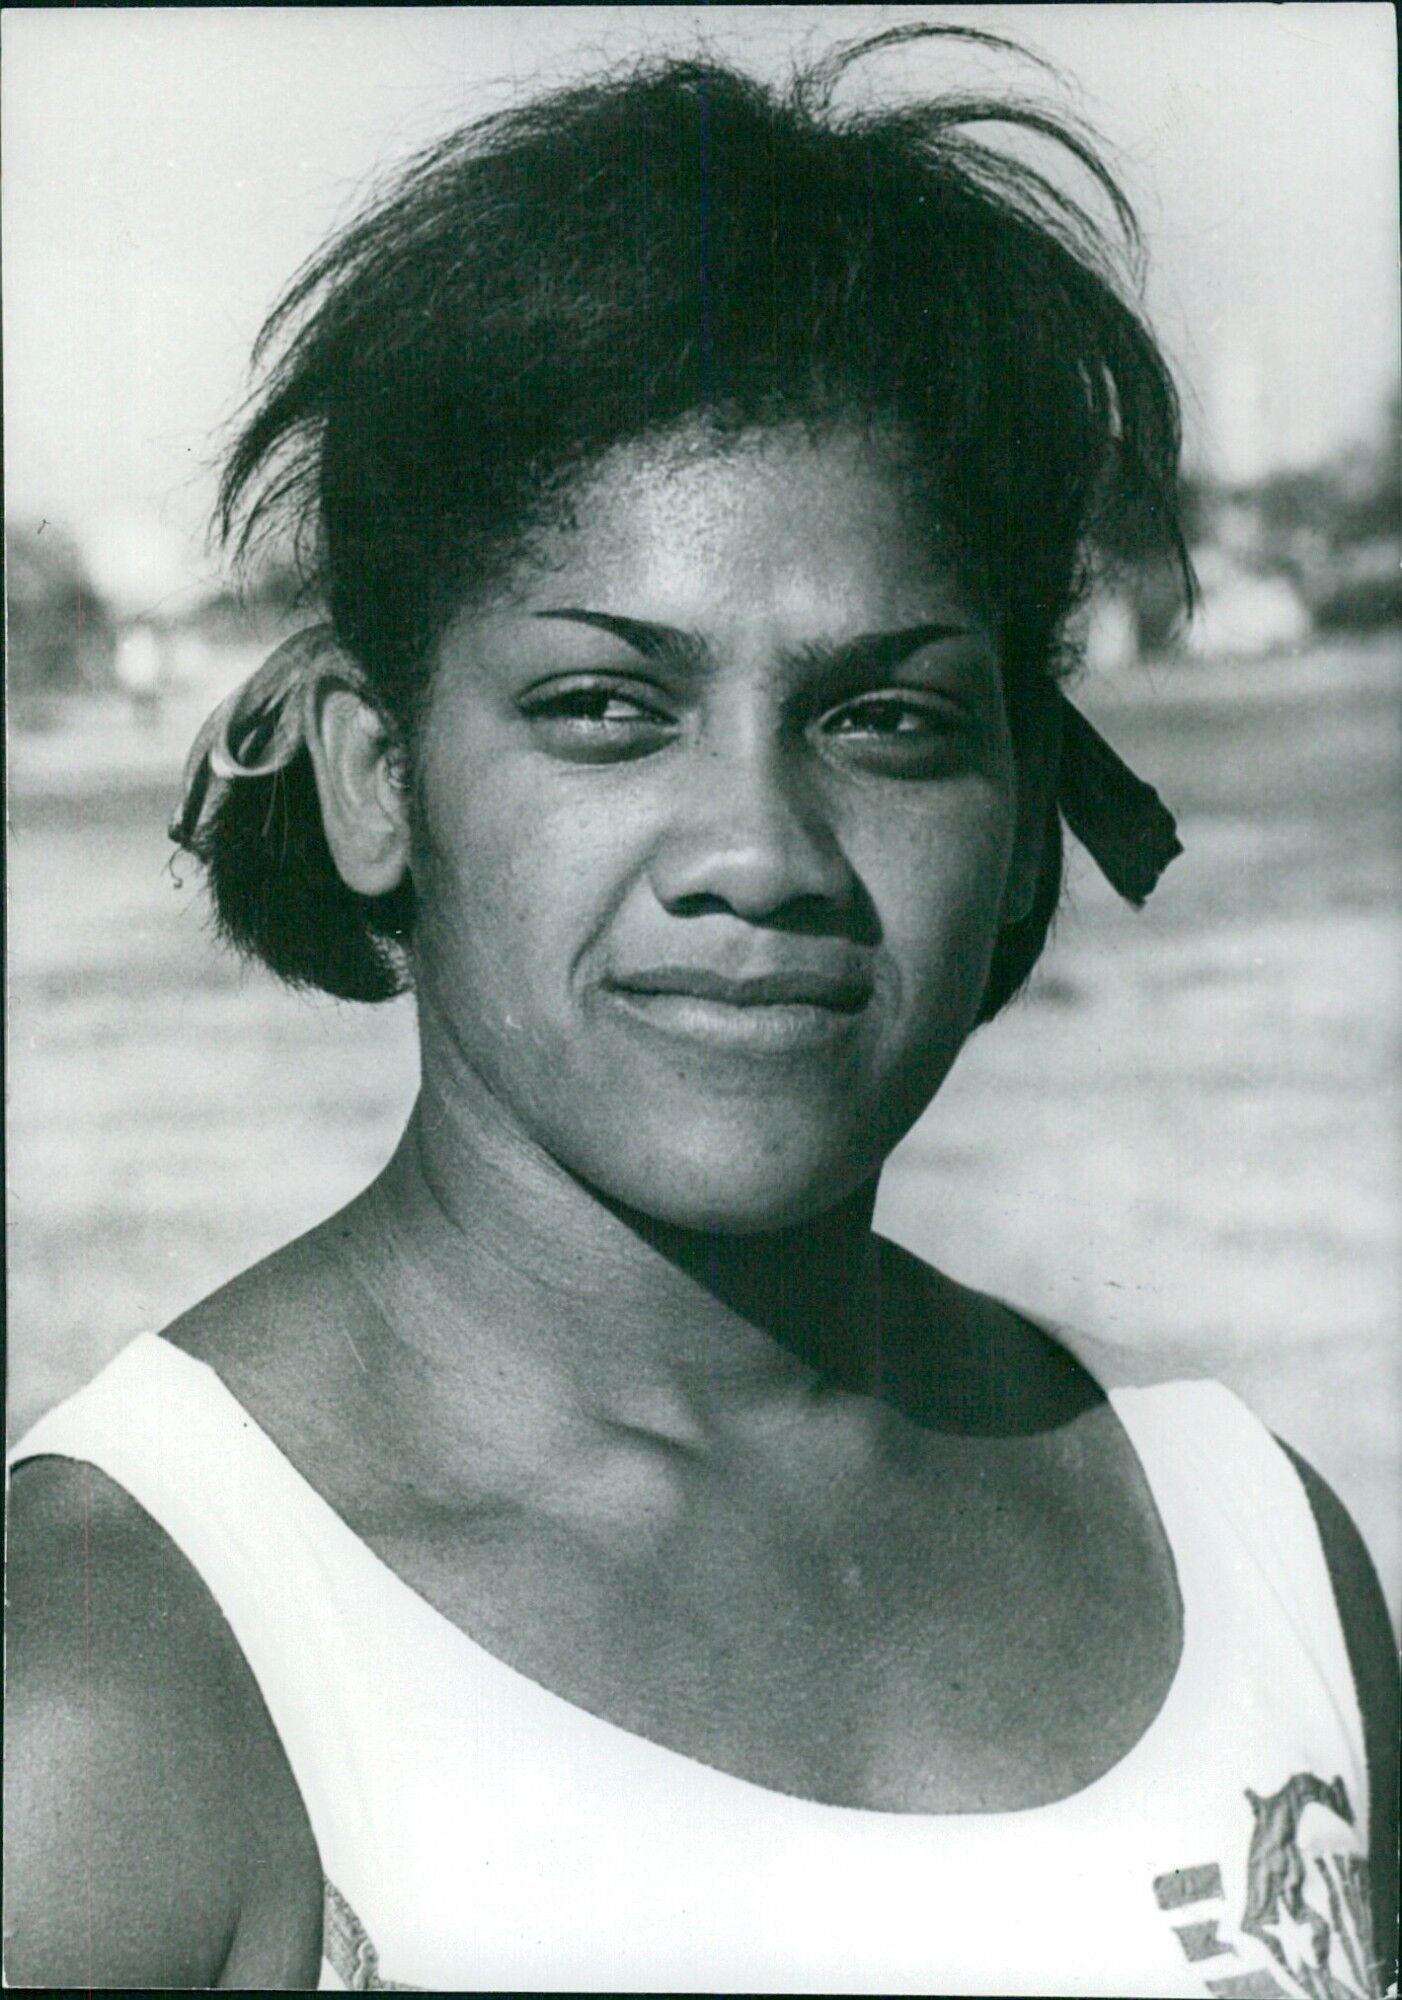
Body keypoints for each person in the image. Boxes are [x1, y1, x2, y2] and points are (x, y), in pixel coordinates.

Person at [6, 26, 1397, 1995]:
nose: (758, 845)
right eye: (601, 706)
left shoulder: (1258, 1560)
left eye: (887, 717)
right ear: (372, 777)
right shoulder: (120, 1667)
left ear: (1024, 819)